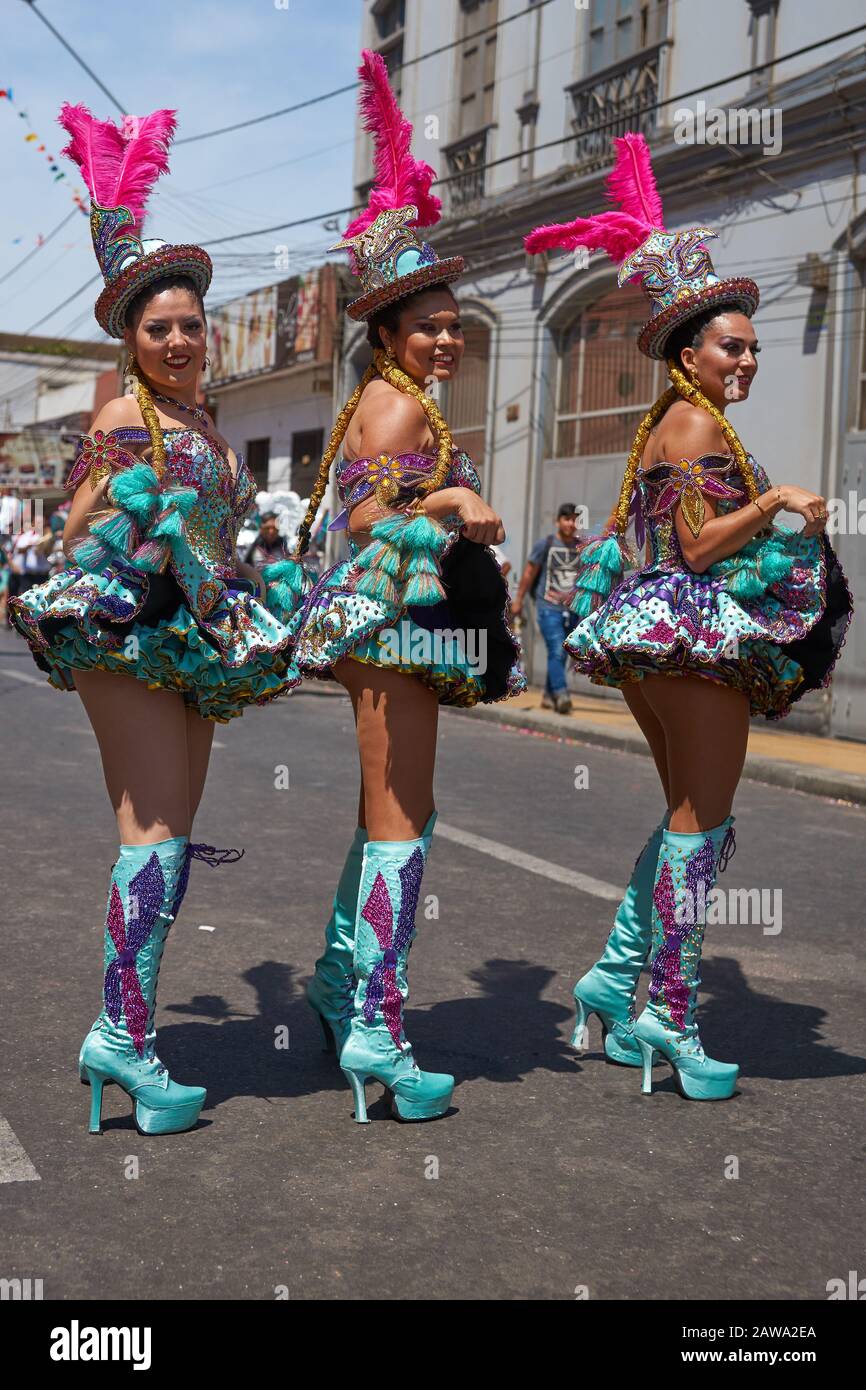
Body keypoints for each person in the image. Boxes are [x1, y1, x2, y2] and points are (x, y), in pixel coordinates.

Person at [525, 133, 851, 1102]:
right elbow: (701, 548)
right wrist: (778, 499)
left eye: (750, 344)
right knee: (700, 827)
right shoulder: (698, 423)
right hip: (692, 641)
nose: (745, 357)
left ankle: (615, 980)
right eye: (731, 344)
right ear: (686, 351)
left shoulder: (664, 425)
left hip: (654, 642)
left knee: (683, 822)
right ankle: (668, 1012)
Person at [10, 103, 301, 1136]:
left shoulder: (203, 421)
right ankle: (122, 1039)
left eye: (189, 323)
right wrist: (140, 500)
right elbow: (81, 519)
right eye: (158, 326)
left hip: (199, 629)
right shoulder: (124, 417)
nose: (178, 337)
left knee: (170, 840)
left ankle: (123, 1032)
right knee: (153, 830)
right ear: (130, 340)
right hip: (127, 625)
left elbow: (215, 540)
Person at [267, 52, 524, 1124]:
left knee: (398, 812)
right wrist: (452, 508)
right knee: (399, 819)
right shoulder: (396, 403)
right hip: (392, 619)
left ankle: (342, 990)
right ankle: (372, 1026)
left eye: (452, 323)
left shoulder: (397, 397)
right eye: (426, 323)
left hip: (397, 624)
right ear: (383, 331)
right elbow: (363, 518)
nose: (444, 336)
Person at [512, 502, 582, 712]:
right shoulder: (546, 544)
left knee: (562, 651)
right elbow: (529, 573)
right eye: (566, 518)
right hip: (548, 606)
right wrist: (518, 599)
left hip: (572, 609)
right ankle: (561, 695)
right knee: (556, 649)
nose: (570, 523)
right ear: (558, 521)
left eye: (574, 519)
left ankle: (548, 695)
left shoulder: (582, 547)